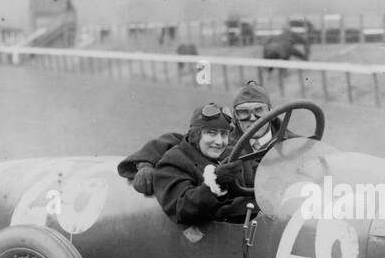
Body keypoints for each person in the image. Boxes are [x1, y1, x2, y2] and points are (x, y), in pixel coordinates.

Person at [118, 80, 279, 194]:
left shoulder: (294, 143)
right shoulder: (224, 138)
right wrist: (145, 164)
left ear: (271, 112)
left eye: (259, 110)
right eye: (243, 112)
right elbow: (182, 142)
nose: (252, 118)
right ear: (235, 116)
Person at [150, 103, 253, 227]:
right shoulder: (173, 162)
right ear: (196, 134)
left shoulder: (234, 156)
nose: (219, 142)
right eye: (212, 133)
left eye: (224, 134)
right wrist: (215, 182)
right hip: (206, 237)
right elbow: (181, 209)